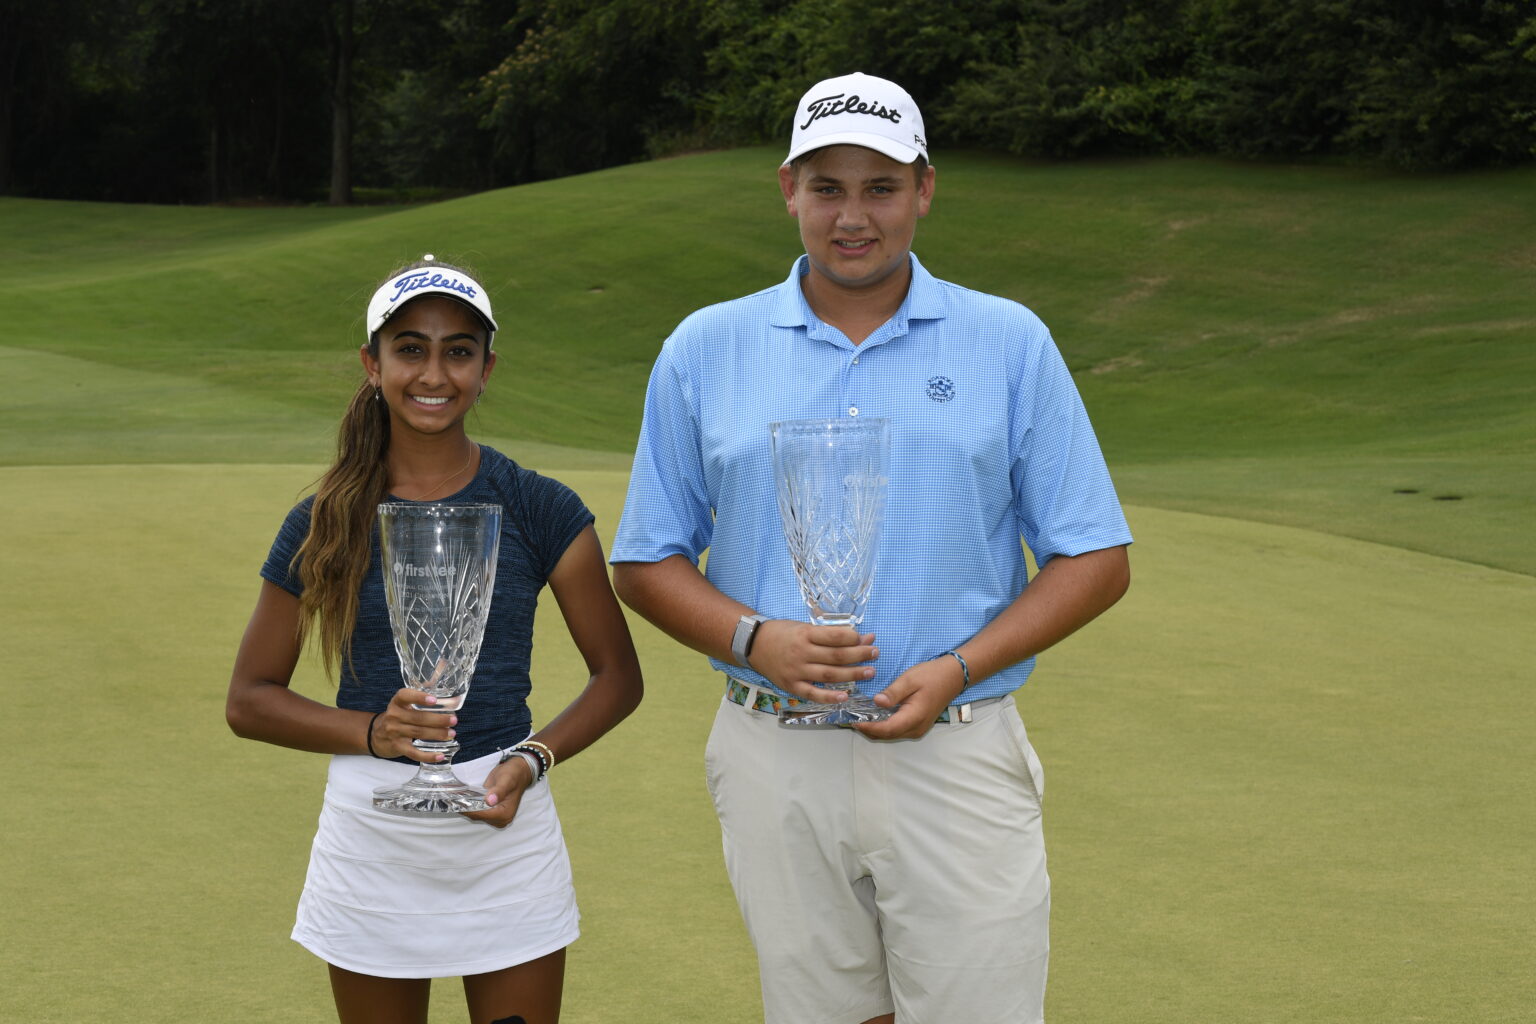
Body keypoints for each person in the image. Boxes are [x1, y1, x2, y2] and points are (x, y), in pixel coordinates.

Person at [609, 72, 1132, 1024]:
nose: (854, 217)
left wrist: (959, 666)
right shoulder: (706, 346)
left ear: (924, 189)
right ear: (788, 190)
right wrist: (752, 638)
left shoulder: (1007, 342)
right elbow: (646, 559)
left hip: (958, 745)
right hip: (775, 749)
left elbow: (1094, 556)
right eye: (828, 188)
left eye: (881, 188)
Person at [227, 256, 643, 1024]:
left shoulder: (539, 506)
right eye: (410, 347)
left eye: (458, 350)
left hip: (504, 821)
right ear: (372, 364)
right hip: (373, 827)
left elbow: (618, 676)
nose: (434, 372)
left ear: (486, 369)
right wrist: (372, 732)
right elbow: (248, 700)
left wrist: (530, 759)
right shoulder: (323, 518)